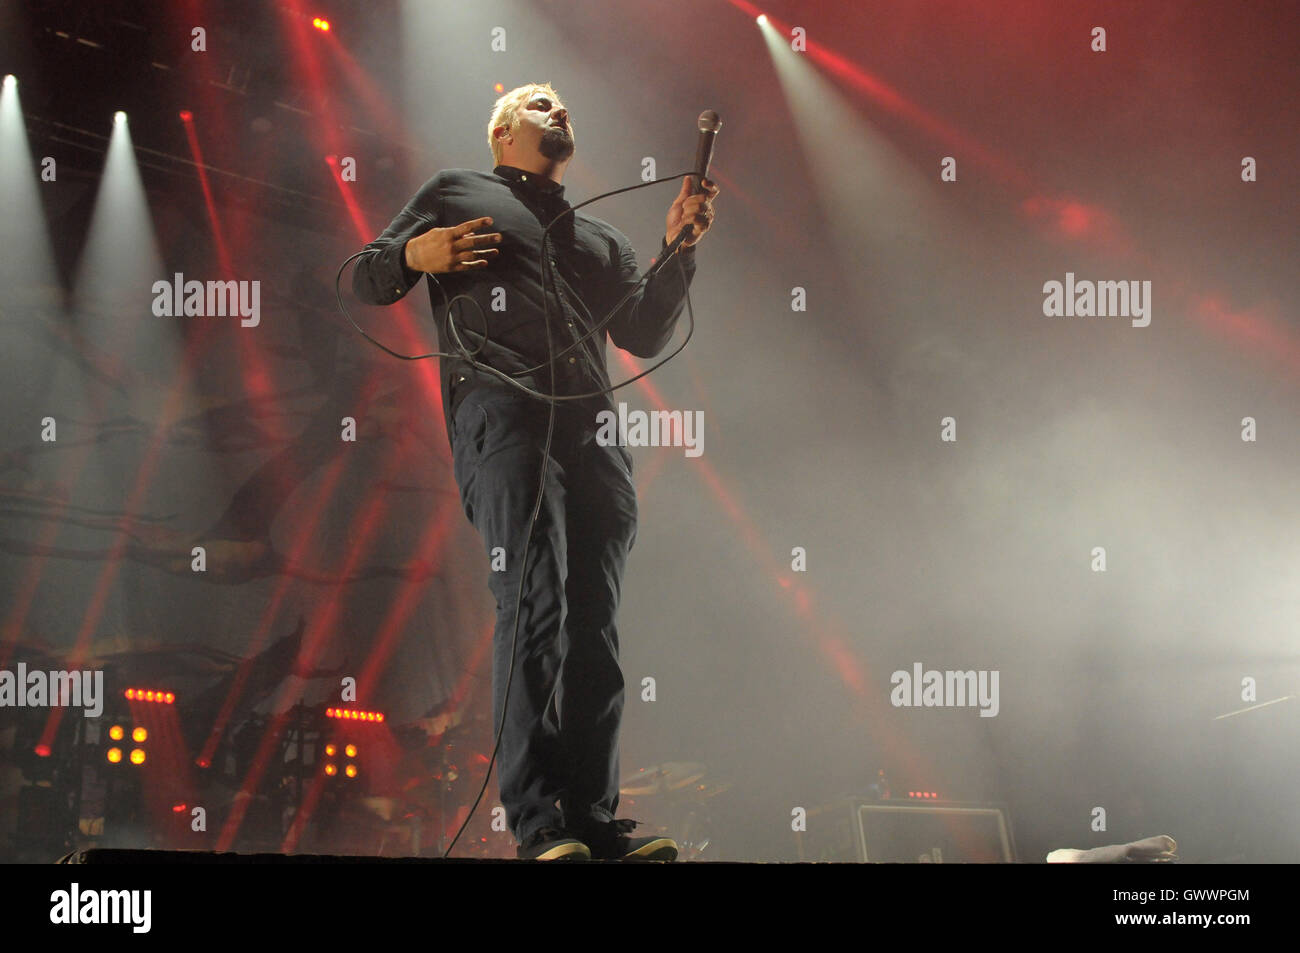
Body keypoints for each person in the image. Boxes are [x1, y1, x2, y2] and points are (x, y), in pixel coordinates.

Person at [351, 83, 718, 860]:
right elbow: (365, 276)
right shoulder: (456, 192)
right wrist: (416, 252)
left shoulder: (600, 238)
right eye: (540, 102)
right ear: (502, 130)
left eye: (564, 105)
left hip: (593, 435)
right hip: (503, 415)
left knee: (594, 624)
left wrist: (680, 247)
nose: (559, 110)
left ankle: (589, 818)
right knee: (538, 602)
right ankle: (536, 821)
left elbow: (645, 333)